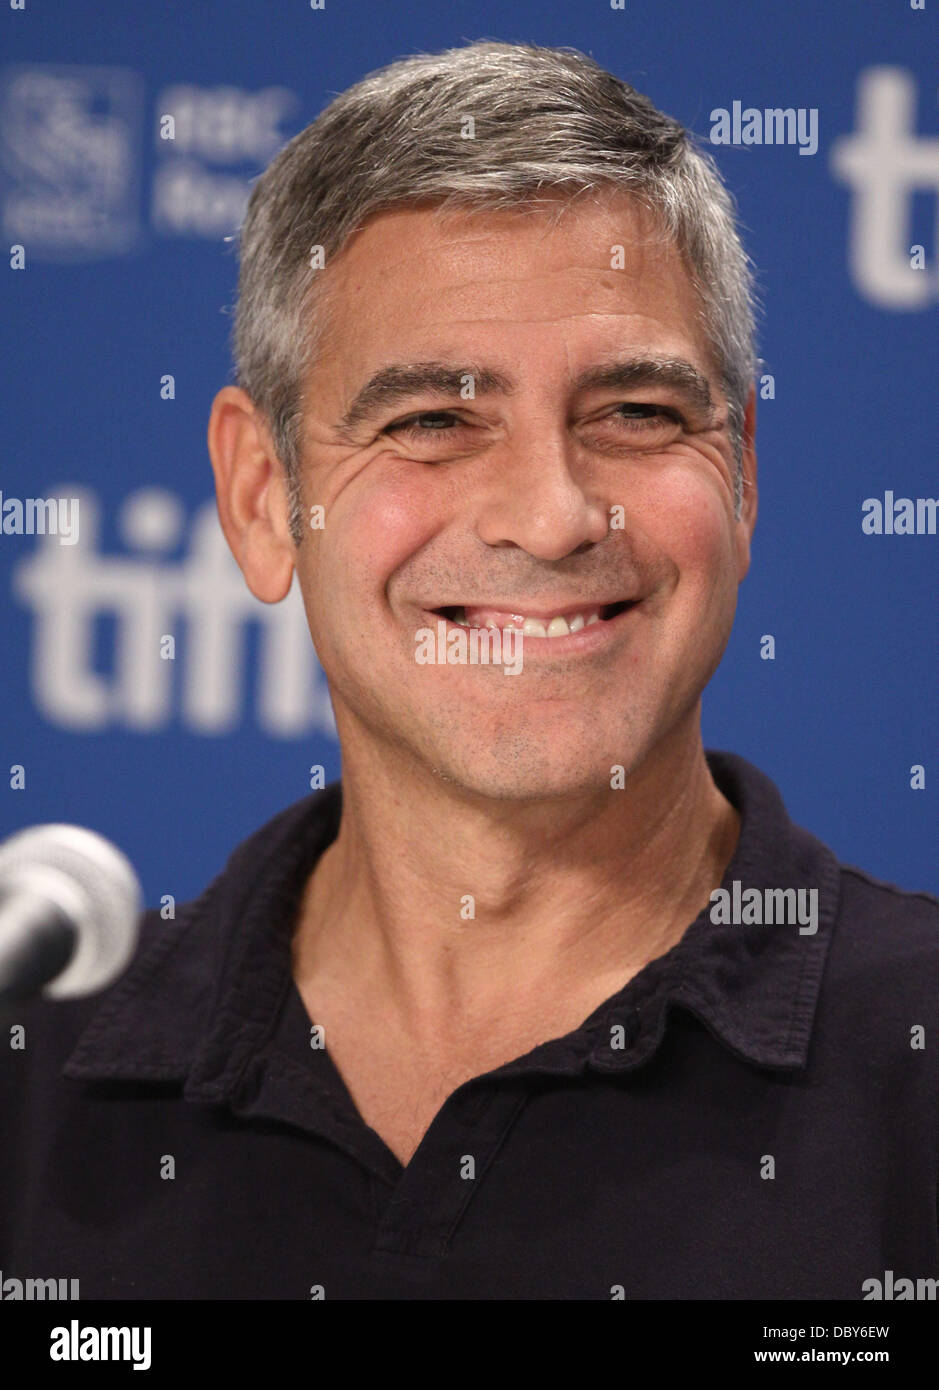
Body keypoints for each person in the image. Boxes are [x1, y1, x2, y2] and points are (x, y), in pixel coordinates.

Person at [3, 40, 937, 1301]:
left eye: (638, 414)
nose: (551, 516)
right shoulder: (29, 1070)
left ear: (745, 470)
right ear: (264, 498)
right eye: (434, 422)